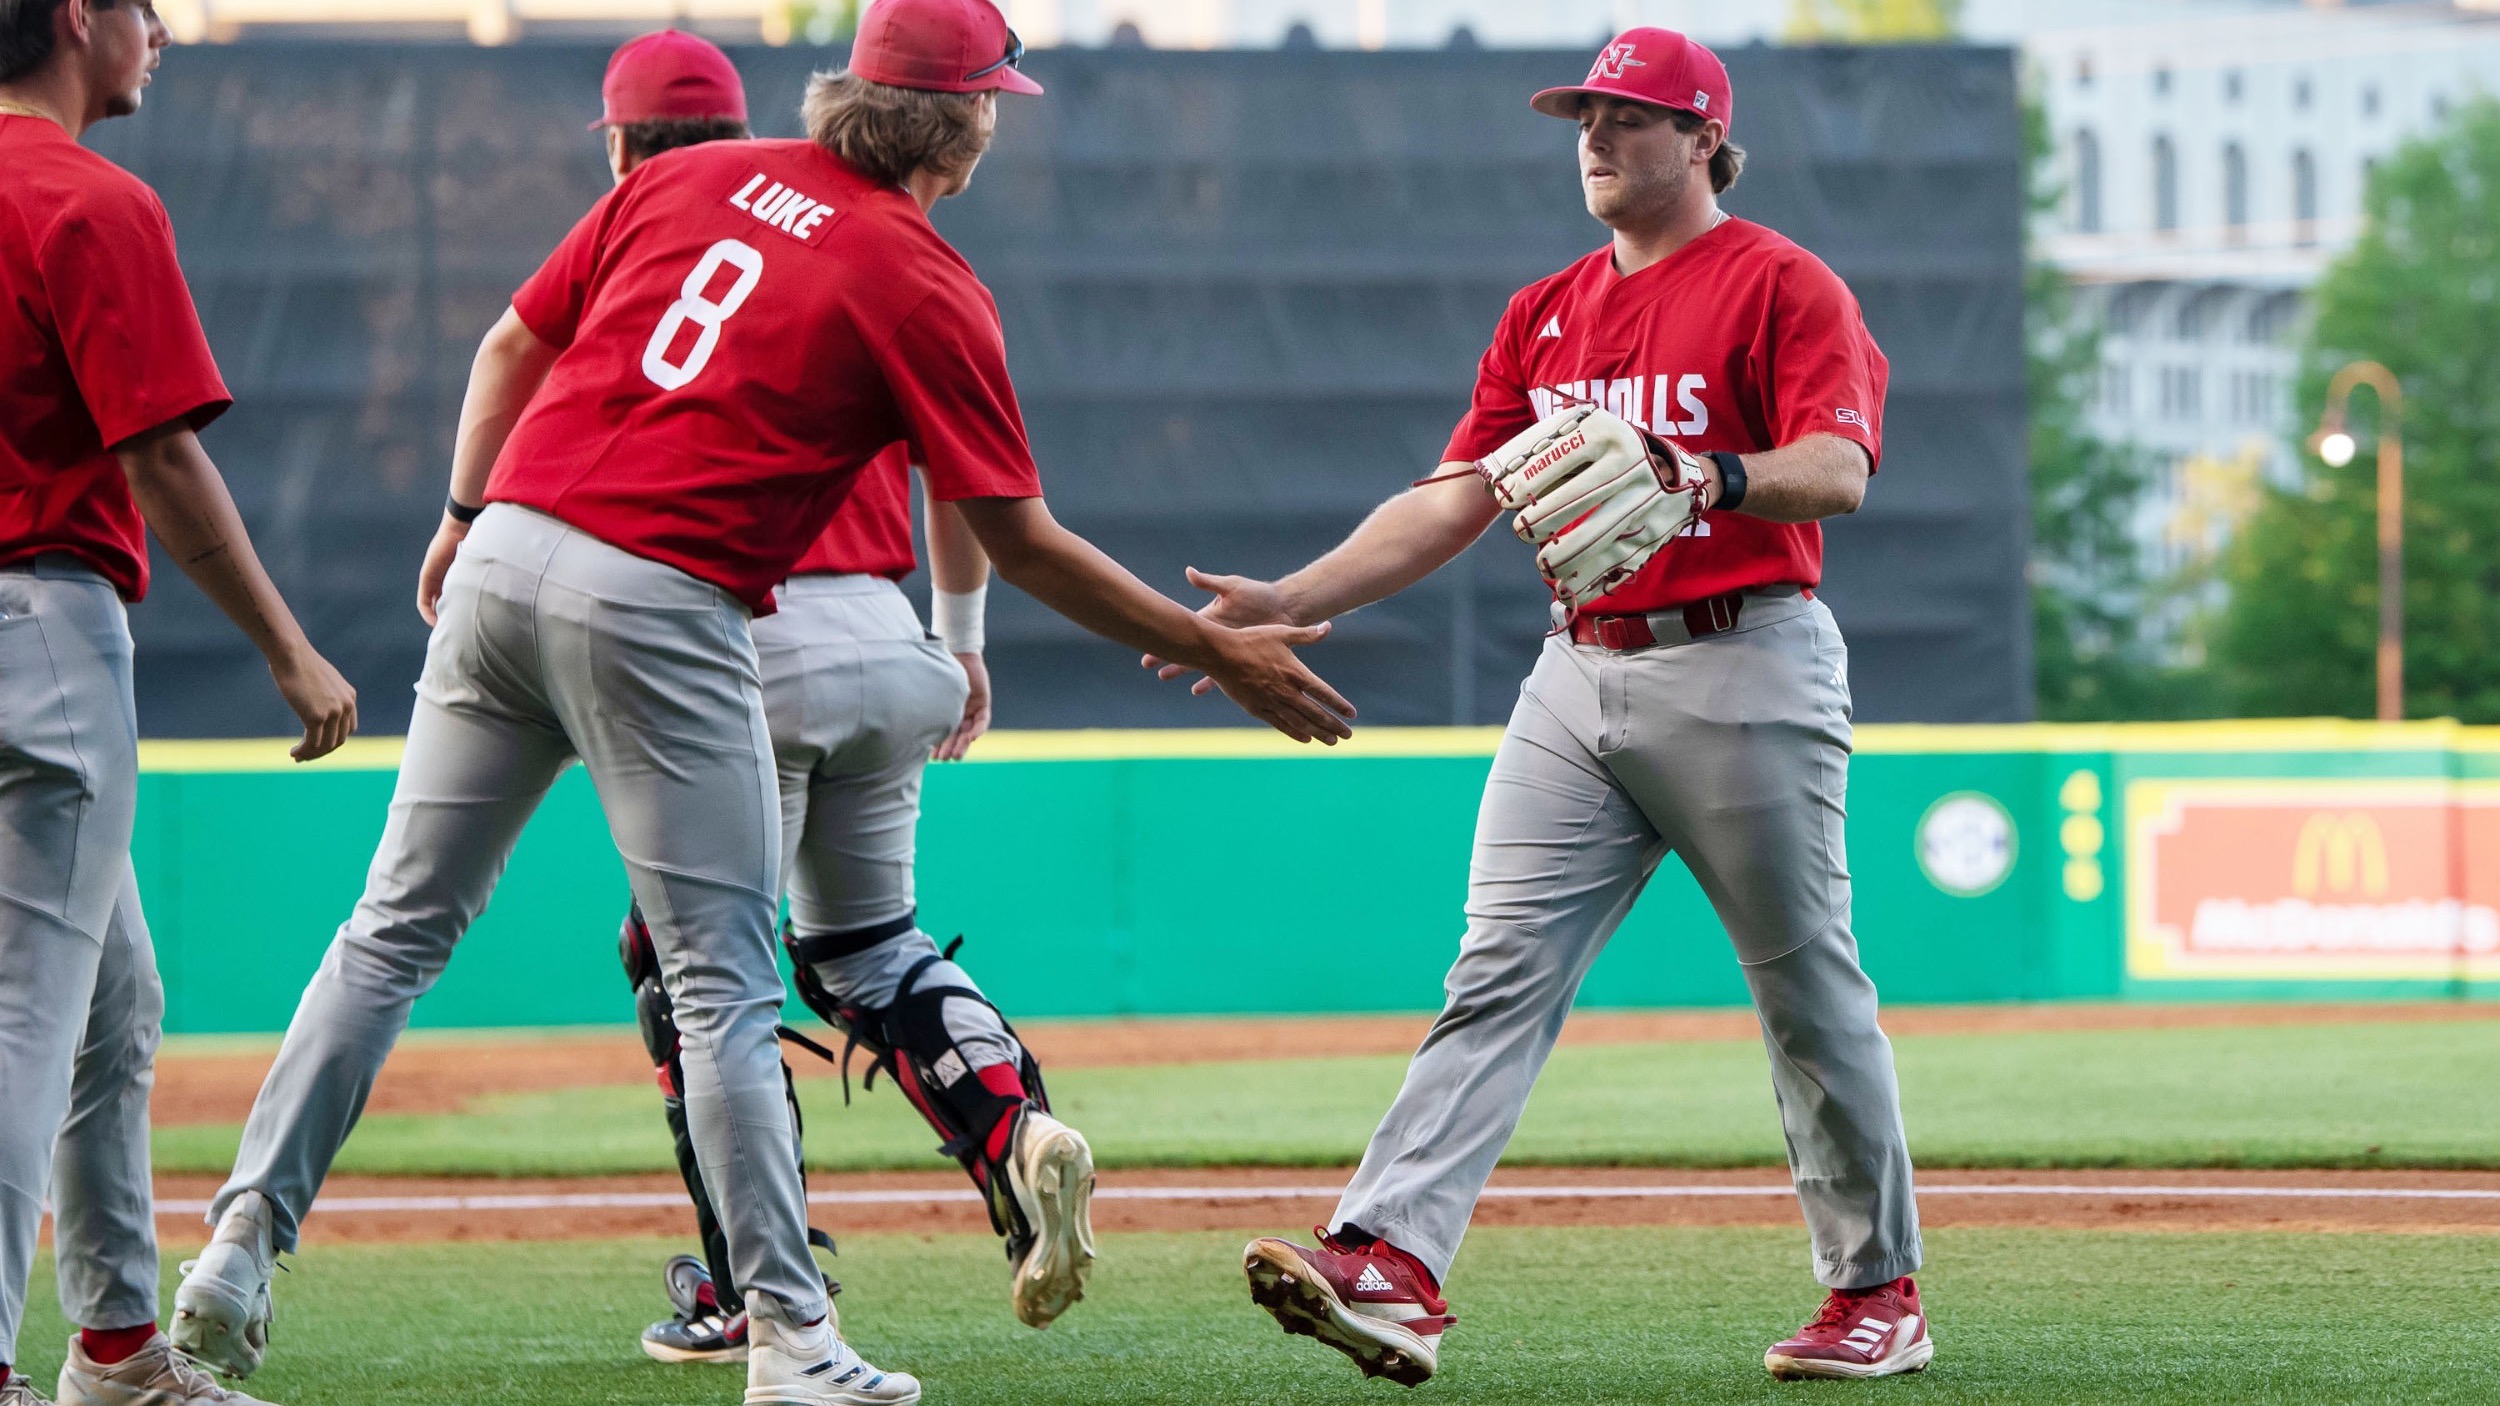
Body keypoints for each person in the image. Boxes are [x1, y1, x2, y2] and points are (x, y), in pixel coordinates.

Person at [168, 1, 1351, 1403]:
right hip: (660, 595)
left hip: (505, 556)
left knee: (388, 937)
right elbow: (1017, 536)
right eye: (989, 109)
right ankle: (793, 1340)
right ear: (965, 125)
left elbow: (509, 344)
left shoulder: (678, 176)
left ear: (844, 92)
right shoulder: (924, 277)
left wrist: (463, 512)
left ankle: (233, 1259)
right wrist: (1212, 650)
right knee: (726, 976)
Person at [1158, 27, 1930, 1387]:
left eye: (1630, 117)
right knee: (1495, 969)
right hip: (1578, 667)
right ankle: (1389, 1258)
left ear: (1702, 139)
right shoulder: (1545, 311)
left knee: (1806, 985)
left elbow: (1838, 467)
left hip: (1743, 650)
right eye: (1585, 114)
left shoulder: (1782, 283)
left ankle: (1876, 1291)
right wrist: (1293, 592)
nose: (1596, 137)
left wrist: (1707, 478)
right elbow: (1459, 495)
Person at [560, 30, 1095, 1365]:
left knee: (688, 972)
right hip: (886, 635)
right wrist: (962, 641)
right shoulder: (886, 250)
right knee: (868, 943)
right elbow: (964, 477)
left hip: (737, 640)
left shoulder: (655, 233)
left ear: (619, 146)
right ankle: (1012, 1130)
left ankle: (765, 1291)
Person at [0, 0, 361, 1402]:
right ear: (78, 17)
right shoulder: (90, 199)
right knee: (30, 1013)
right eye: (145, 8)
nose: (160, 31)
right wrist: (288, 645)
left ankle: (116, 1351)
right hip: (39, 628)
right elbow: (160, 459)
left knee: (110, 1003)